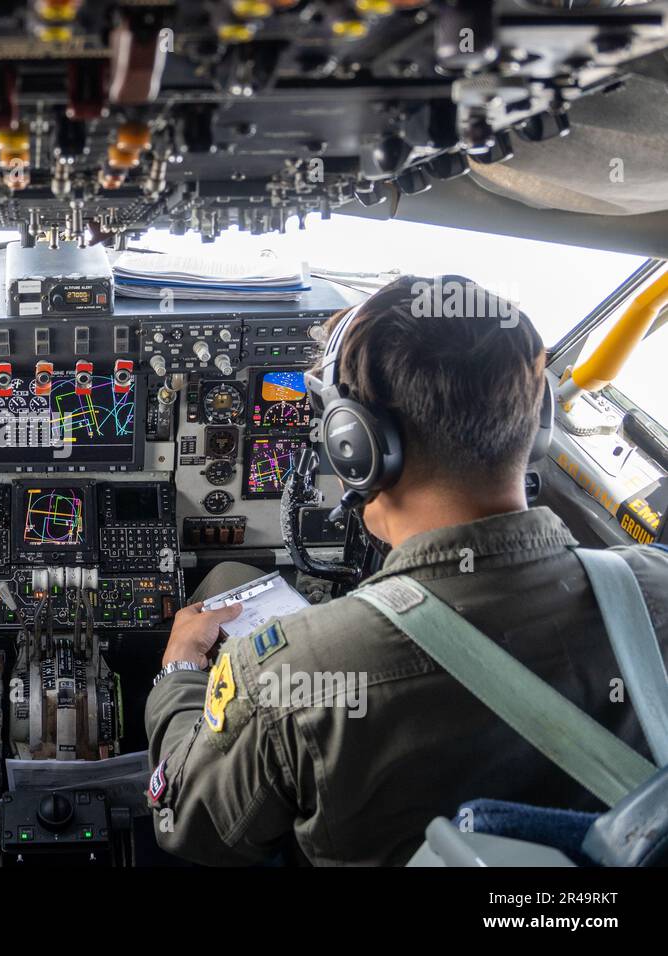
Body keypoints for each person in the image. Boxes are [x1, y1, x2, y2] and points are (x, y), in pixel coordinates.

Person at [146, 275, 668, 866]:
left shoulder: (288, 674)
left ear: (356, 447)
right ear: (538, 422)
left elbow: (184, 819)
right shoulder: (653, 583)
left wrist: (179, 672)